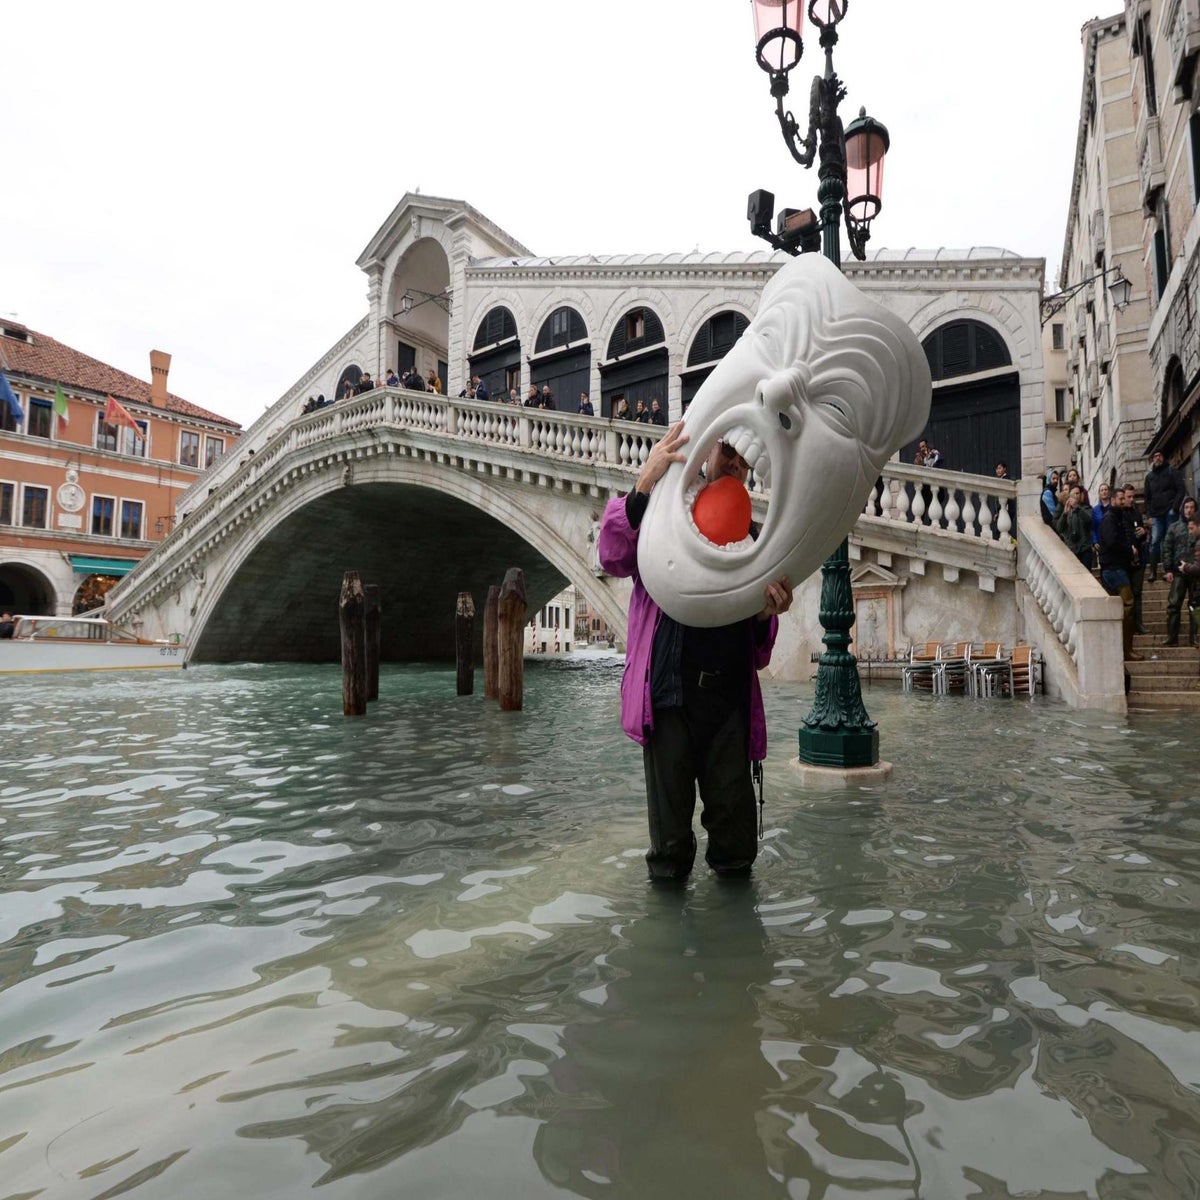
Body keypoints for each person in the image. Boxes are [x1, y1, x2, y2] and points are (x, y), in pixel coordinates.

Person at [598, 423, 794, 881]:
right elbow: (611, 556)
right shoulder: (661, 510)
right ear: (710, 449)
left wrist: (768, 613)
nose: (733, 464)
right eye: (728, 451)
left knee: (736, 847)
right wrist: (645, 481)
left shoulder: (755, 538)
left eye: (743, 461)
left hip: (727, 704)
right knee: (668, 849)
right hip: (668, 696)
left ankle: (735, 941)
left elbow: (760, 652)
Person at [1099, 485, 1138, 661]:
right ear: (1113, 499)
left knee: (1123, 607)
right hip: (1113, 568)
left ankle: (1124, 649)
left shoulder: (1119, 517)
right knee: (1128, 606)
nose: (1124, 501)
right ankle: (1125, 650)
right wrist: (1129, 550)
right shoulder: (1110, 518)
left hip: (1117, 567)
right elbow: (1112, 542)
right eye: (1121, 499)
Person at [1143, 450, 1186, 580]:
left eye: (1160, 456)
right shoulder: (1149, 477)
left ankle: (1171, 570)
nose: (1157, 458)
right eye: (1155, 456)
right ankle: (1153, 571)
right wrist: (1149, 514)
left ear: (1163, 457)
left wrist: (1174, 508)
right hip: (1156, 514)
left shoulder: (1171, 471)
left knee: (1170, 541)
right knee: (1154, 542)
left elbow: (1181, 489)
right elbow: (1147, 497)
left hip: (1170, 511)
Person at [1162, 497, 1198, 645]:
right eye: (1186, 507)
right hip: (1178, 572)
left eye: (1192, 507)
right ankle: (1172, 637)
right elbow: (1167, 549)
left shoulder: (1198, 527)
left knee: (1195, 605)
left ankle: (1193, 638)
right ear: (1182, 509)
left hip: (1195, 572)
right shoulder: (1174, 527)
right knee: (1173, 604)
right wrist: (1168, 569)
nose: (1189, 510)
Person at [1122, 483, 1149, 634]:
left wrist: (1143, 531)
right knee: (1128, 595)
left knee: (1137, 592)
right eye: (1129, 497)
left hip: (1138, 557)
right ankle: (1130, 626)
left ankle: (1139, 624)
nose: (1131, 500)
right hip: (1125, 559)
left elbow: (1141, 534)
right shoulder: (1120, 514)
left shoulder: (1136, 513)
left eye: (1133, 497)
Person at [1055, 484, 1093, 570]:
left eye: (1077, 493)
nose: (1076, 496)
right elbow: (1059, 528)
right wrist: (1064, 514)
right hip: (1072, 550)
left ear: (1081, 495)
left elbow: (1089, 520)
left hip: (1085, 549)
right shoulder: (1067, 509)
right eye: (1073, 494)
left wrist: (1077, 508)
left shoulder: (1086, 508)